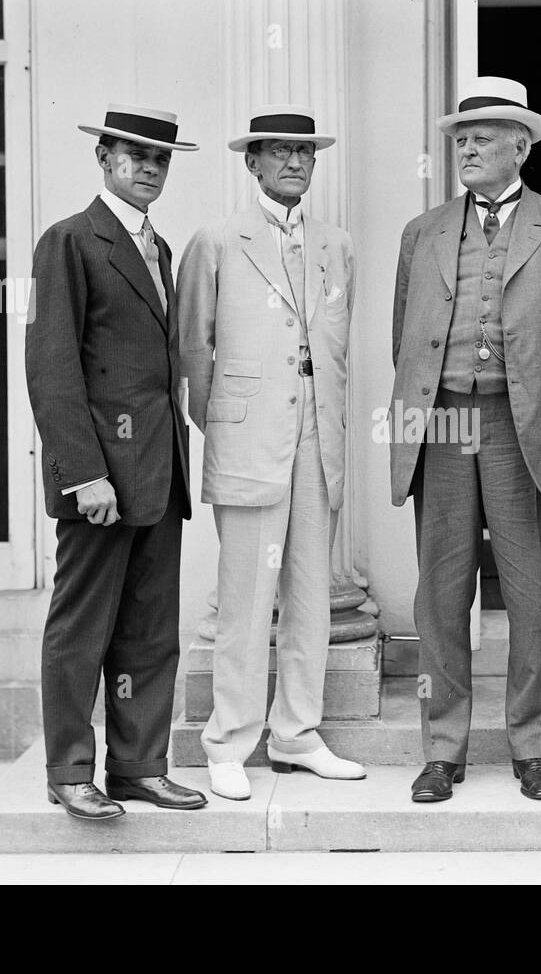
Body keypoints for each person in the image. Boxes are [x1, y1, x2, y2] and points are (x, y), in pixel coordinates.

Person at [390, 77, 541, 803]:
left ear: (521, 144)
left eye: (482, 136)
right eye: (460, 137)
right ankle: (443, 750)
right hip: (445, 427)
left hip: (525, 436)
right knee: (441, 597)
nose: (468, 147)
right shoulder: (421, 233)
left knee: (532, 597)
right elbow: (405, 341)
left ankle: (532, 749)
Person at [178, 105, 365, 801]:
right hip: (250, 440)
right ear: (251, 162)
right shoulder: (219, 240)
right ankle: (228, 741)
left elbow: (335, 350)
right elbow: (192, 349)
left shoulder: (336, 245)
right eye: (280, 152)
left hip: (318, 439)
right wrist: (227, 423)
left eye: (305, 153)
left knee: (311, 595)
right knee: (247, 600)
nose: (294, 163)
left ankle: (297, 734)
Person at [26, 104, 206, 820]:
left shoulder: (157, 249)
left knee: (151, 629)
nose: (149, 168)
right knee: (82, 627)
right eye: (134, 155)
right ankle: (70, 770)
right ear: (103, 157)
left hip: (159, 474)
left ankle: (138, 766)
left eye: (160, 158)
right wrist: (84, 473)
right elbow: (51, 368)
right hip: (100, 479)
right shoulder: (67, 242)